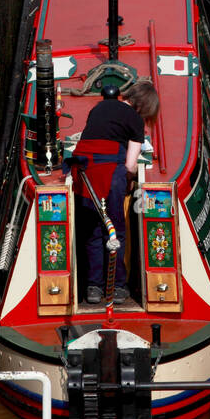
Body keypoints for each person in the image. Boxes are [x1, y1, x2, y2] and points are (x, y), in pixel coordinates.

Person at [68, 79, 160, 305]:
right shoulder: (135, 120)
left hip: (84, 172)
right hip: (110, 174)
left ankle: (93, 288)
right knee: (115, 232)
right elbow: (130, 165)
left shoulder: (99, 107)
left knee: (93, 231)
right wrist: (128, 182)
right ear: (146, 107)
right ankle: (117, 287)